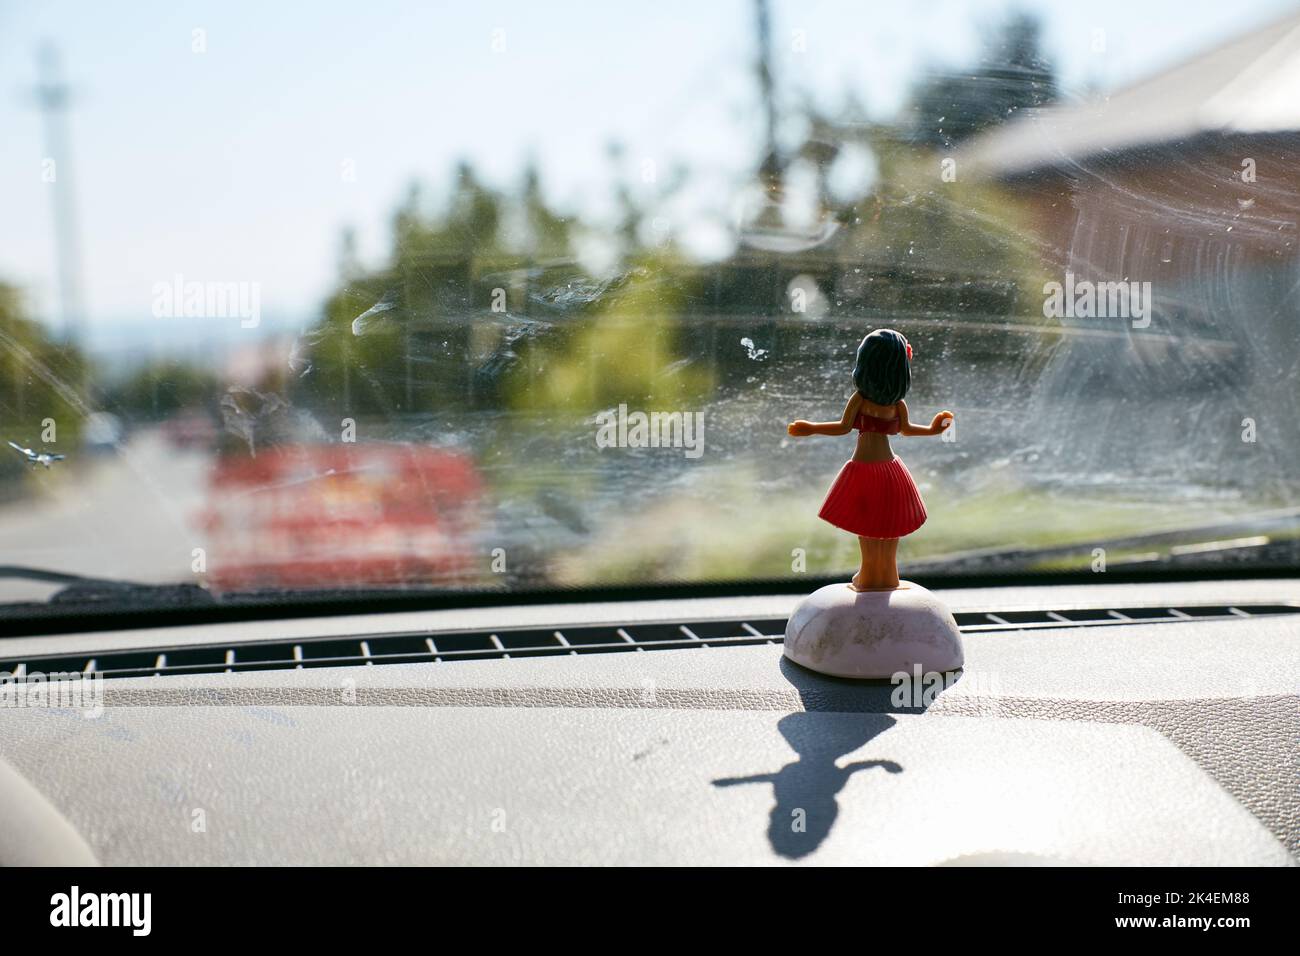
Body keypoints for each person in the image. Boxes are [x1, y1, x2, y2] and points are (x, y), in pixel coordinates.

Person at [787, 329, 953, 590]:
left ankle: (876, 576)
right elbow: (902, 430)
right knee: (883, 526)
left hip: (867, 469)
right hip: (887, 469)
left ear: (864, 366)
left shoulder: (867, 401)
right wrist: (812, 428)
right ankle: (880, 575)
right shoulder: (892, 404)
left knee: (874, 526)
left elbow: (845, 427)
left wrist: (812, 428)